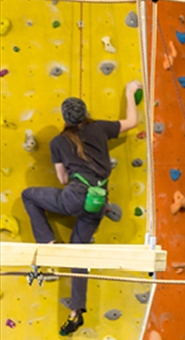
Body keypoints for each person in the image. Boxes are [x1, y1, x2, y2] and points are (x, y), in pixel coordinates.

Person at [21, 81, 141, 335]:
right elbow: (132, 122)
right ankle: (76, 311)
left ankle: (48, 244)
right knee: (80, 255)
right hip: (97, 202)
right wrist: (130, 91)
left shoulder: (58, 142)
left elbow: (63, 179)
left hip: (74, 197)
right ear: (85, 113)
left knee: (28, 196)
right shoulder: (99, 129)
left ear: (64, 118)